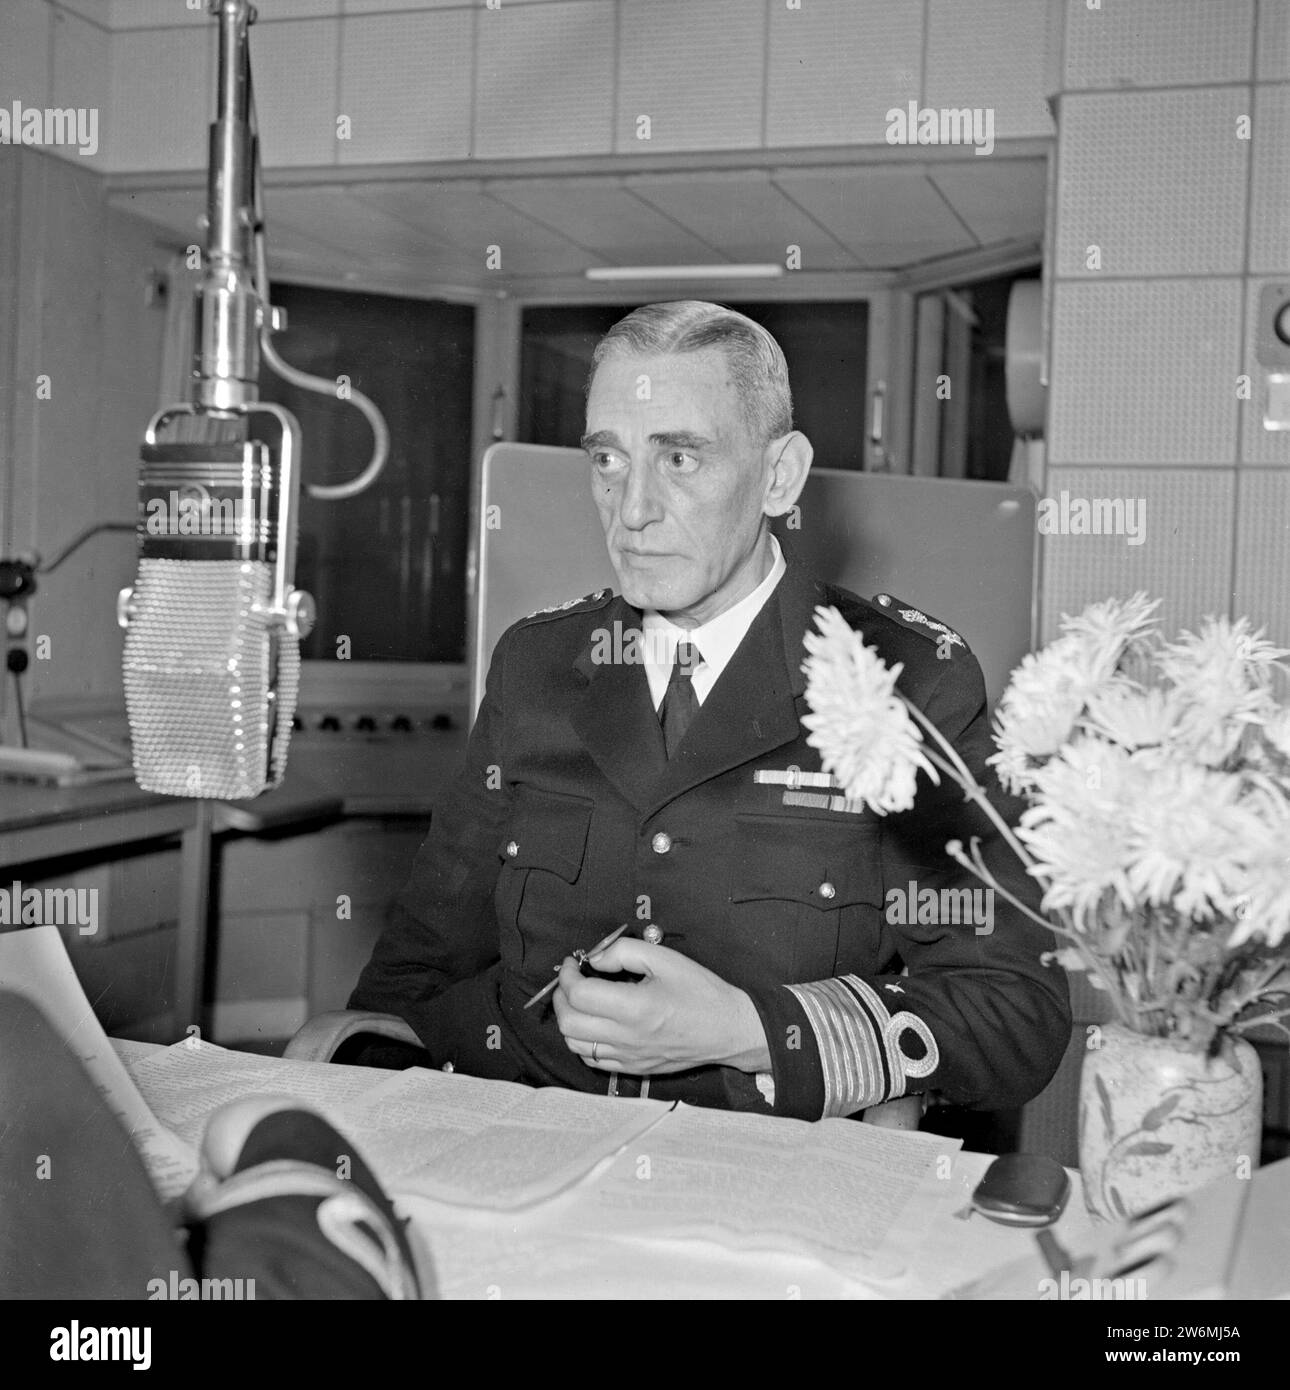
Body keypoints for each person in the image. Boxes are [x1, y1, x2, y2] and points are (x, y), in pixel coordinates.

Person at [350, 301, 1070, 1120]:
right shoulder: (538, 666)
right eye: (608, 461)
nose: (632, 511)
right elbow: (419, 967)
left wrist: (751, 1030)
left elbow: (1013, 1009)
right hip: (527, 1141)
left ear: (779, 477)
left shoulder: (901, 680)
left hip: (765, 1174)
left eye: (681, 459)